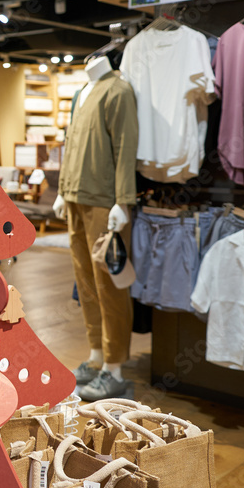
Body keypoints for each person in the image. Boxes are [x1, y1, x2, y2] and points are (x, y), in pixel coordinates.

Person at [53, 55, 139, 400]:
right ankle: (96, 356)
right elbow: (70, 144)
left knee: (110, 285)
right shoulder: (80, 93)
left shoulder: (118, 91)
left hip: (104, 201)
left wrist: (124, 199)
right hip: (75, 198)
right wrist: (62, 190)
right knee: (86, 283)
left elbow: (125, 147)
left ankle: (115, 368)